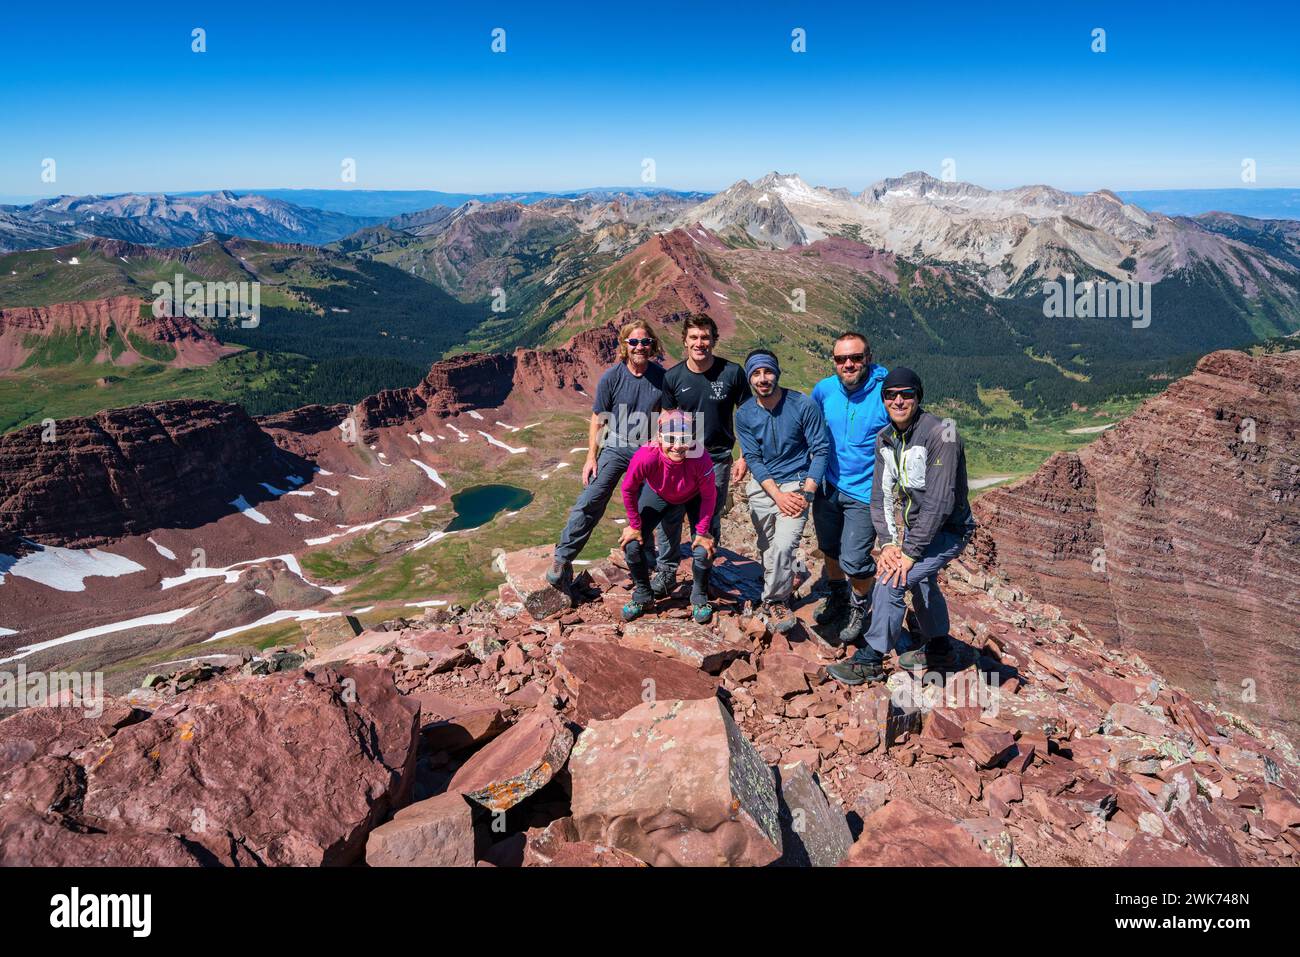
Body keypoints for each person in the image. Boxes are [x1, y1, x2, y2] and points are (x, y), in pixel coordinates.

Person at [826, 367, 977, 685]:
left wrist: (909, 553)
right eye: (890, 395)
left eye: (906, 393)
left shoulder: (942, 433)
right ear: (883, 400)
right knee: (921, 583)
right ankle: (939, 649)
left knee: (891, 582)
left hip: (949, 530)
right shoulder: (886, 438)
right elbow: (880, 495)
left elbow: (939, 502)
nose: (898, 400)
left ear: (918, 397)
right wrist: (890, 544)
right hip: (916, 531)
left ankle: (871, 658)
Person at [546, 321, 665, 590]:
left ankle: (644, 554)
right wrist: (591, 457)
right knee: (591, 500)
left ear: (652, 345)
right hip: (615, 445)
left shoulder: (662, 377)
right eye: (633, 342)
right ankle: (562, 558)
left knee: (647, 506)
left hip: (648, 450)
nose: (639, 347)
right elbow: (598, 418)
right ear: (624, 345)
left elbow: (668, 417)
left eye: (644, 342)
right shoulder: (612, 377)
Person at [653, 313, 750, 598]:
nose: (700, 343)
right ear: (684, 342)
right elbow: (666, 419)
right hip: (680, 460)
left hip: (718, 459)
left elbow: (746, 417)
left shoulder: (732, 373)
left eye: (705, 337)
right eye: (694, 337)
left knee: (708, 519)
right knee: (670, 515)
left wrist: (743, 456)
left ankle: (701, 577)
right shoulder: (673, 377)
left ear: (714, 340)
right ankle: (667, 571)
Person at [734, 348, 829, 633]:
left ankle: (774, 602)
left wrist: (806, 493)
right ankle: (792, 575)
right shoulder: (745, 414)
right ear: (750, 378)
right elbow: (753, 458)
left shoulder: (802, 404)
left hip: (798, 483)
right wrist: (777, 495)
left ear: (777, 372)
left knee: (784, 545)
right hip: (765, 487)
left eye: (768, 371)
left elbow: (821, 450)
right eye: (756, 373)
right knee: (767, 547)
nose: (763, 379)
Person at [809, 333, 889, 644]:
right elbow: (810, 425)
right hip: (828, 486)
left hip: (864, 493)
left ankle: (858, 606)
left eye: (855, 357)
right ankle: (838, 596)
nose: (849, 364)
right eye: (841, 359)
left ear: (868, 358)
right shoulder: (824, 389)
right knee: (829, 548)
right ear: (834, 361)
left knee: (855, 559)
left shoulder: (884, 391)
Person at [618, 411, 718, 624]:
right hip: (659, 493)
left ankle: (699, 596)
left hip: (694, 496)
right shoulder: (647, 454)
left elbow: (710, 495)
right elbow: (628, 489)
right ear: (659, 437)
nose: (677, 446)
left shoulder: (699, 456)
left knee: (704, 547)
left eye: (684, 439)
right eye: (670, 439)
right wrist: (634, 526)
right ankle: (643, 595)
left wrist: (701, 532)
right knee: (632, 545)